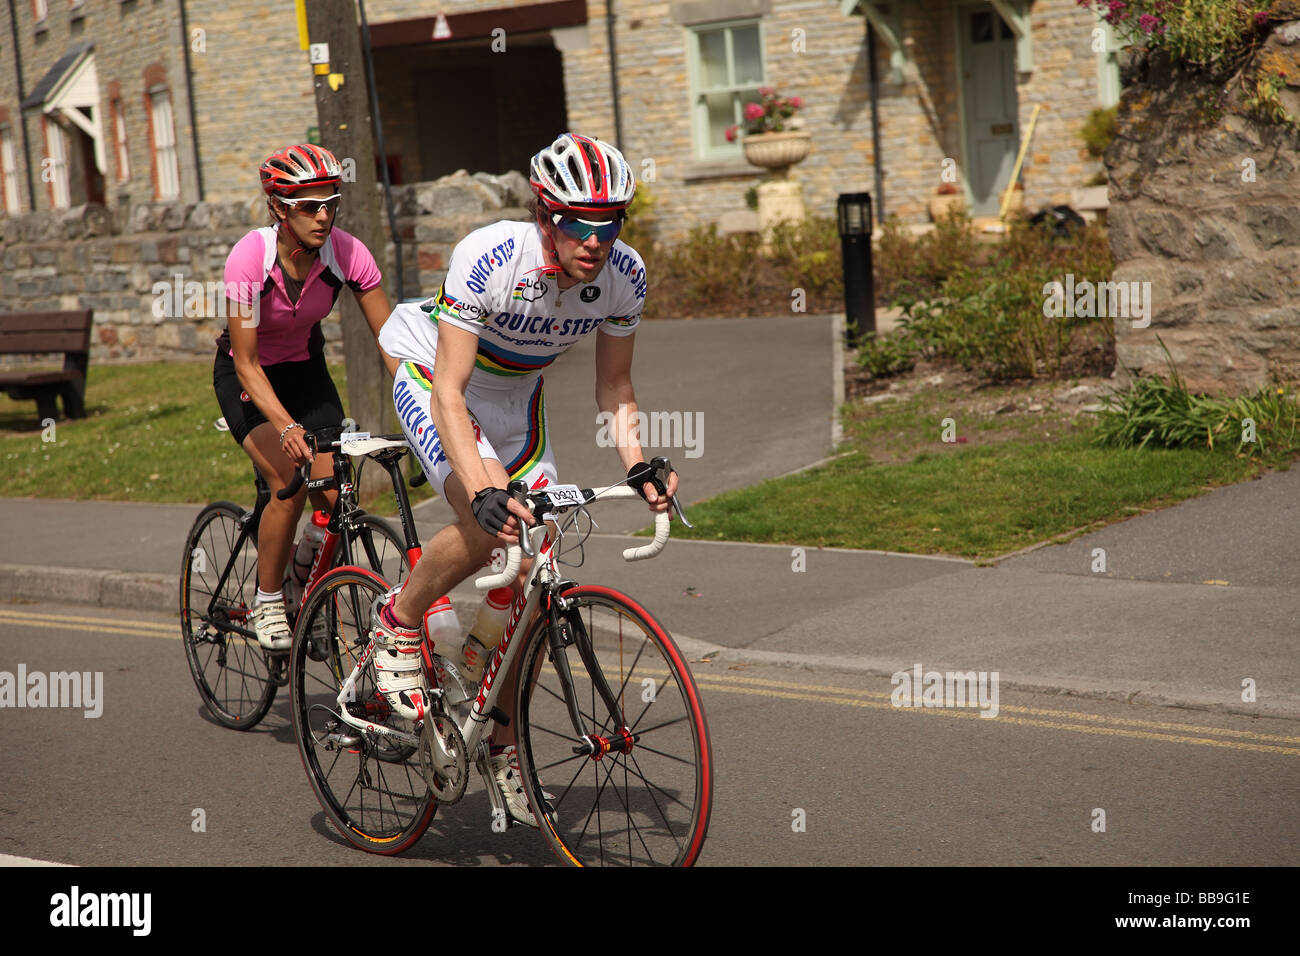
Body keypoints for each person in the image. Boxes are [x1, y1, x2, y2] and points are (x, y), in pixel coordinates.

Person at [374, 132, 677, 826]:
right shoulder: (491, 255)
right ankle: (399, 620)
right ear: (545, 216)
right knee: (492, 525)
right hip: (434, 375)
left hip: (516, 398)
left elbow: (617, 385)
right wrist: (479, 490)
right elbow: (449, 390)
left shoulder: (623, 276)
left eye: (610, 223)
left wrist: (637, 463)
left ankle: (501, 740)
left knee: (538, 563)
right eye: (577, 223)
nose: (595, 240)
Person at [213, 144, 398, 651]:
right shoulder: (250, 258)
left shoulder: (348, 254)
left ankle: (303, 574)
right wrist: (288, 427)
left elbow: (392, 344)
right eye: (308, 206)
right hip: (247, 377)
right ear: (278, 207)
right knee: (288, 484)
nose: (323, 216)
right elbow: (247, 362)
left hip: (305, 372)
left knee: (336, 498)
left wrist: (425, 409)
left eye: (330, 203)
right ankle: (268, 601)